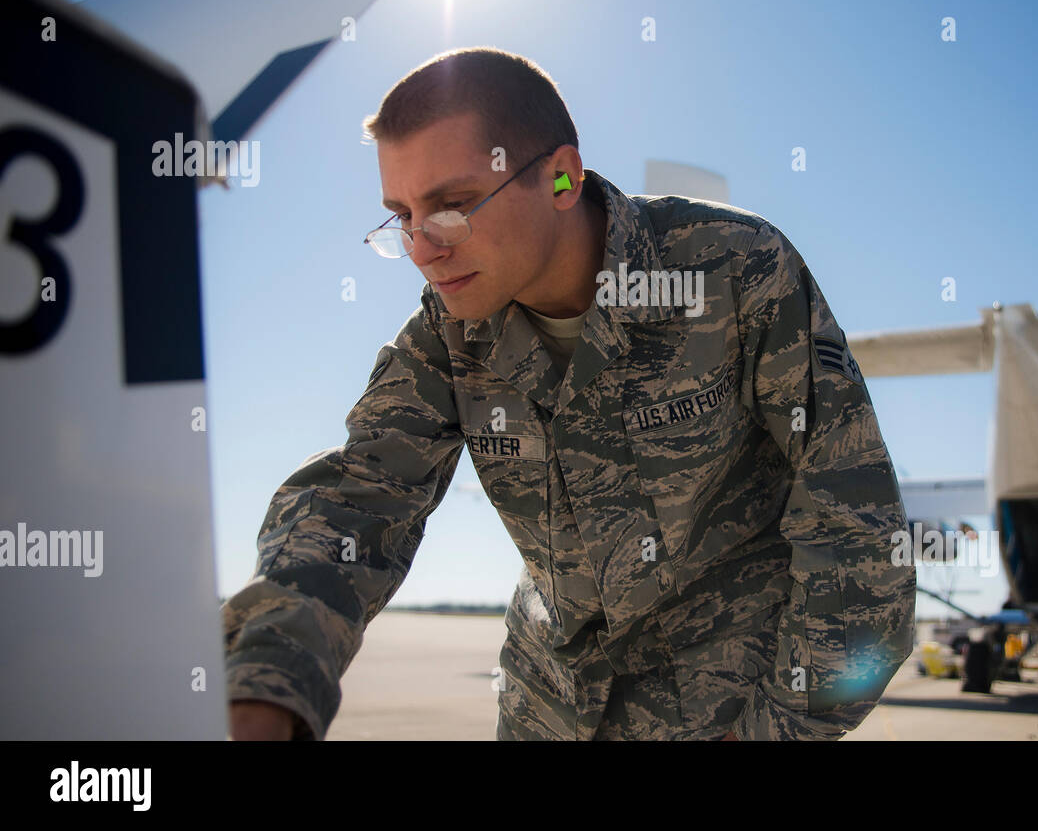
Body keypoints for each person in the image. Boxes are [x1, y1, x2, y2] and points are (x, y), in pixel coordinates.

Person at [223, 46, 915, 740]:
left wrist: (771, 730)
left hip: (726, 710)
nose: (421, 248)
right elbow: (356, 498)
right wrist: (269, 683)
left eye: (452, 207)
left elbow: (856, 525)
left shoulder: (734, 271)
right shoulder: (448, 335)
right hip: (549, 713)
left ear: (560, 178)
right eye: (400, 215)